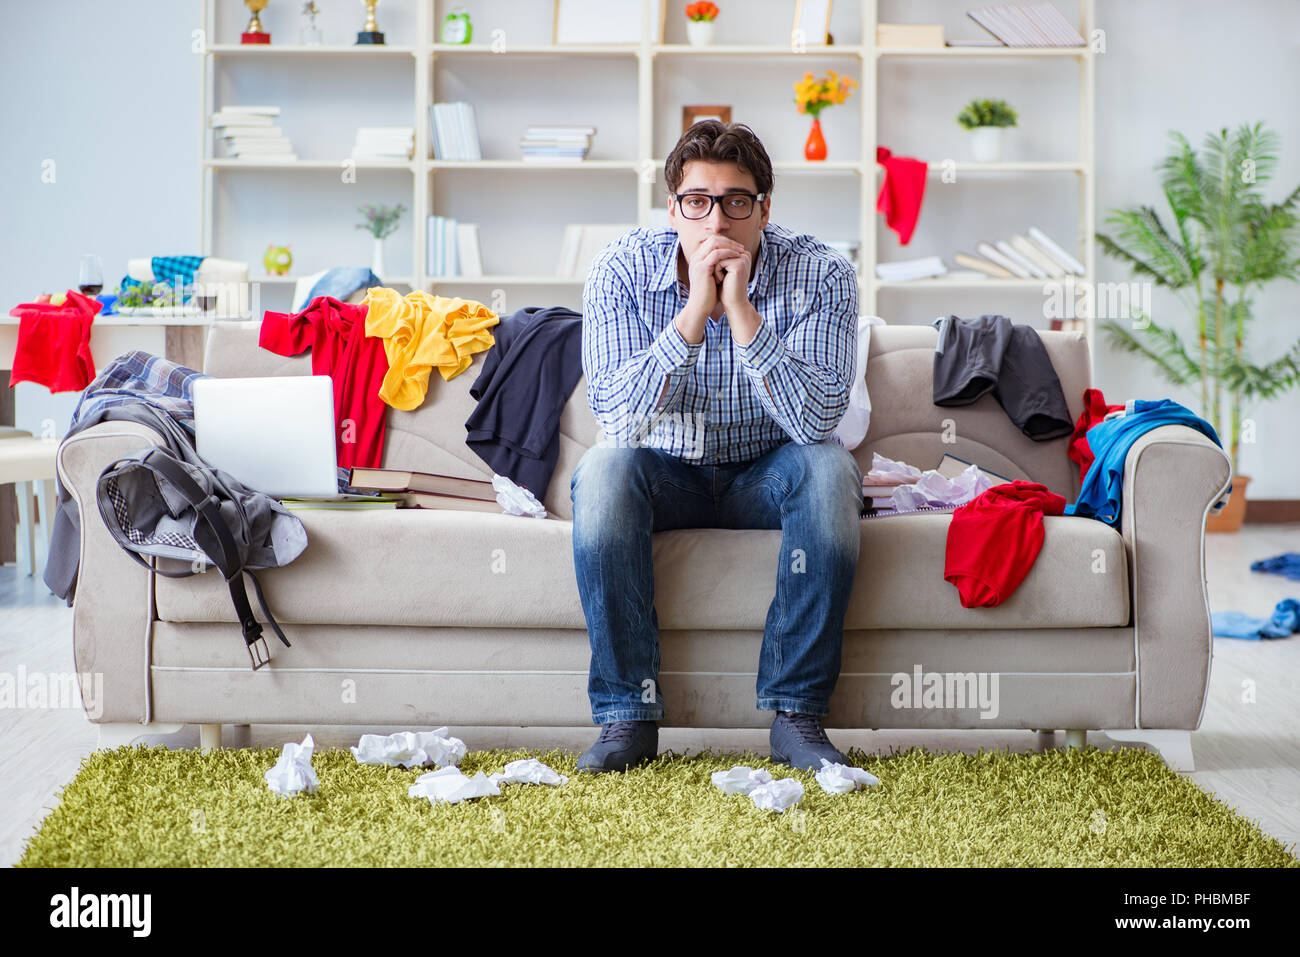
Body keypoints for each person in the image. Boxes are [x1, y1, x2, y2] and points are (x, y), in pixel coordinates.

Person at [570, 120, 863, 773]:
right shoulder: (620, 269)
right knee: (602, 471)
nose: (717, 218)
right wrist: (693, 313)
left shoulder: (823, 272)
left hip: (769, 471)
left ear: (764, 210)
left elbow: (817, 421)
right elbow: (616, 419)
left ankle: (797, 715)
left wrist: (742, 313)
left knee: (829, 469)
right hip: (665, 470)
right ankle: (626, 715)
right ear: (673, 210)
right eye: (697, 201)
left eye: (737, 200)